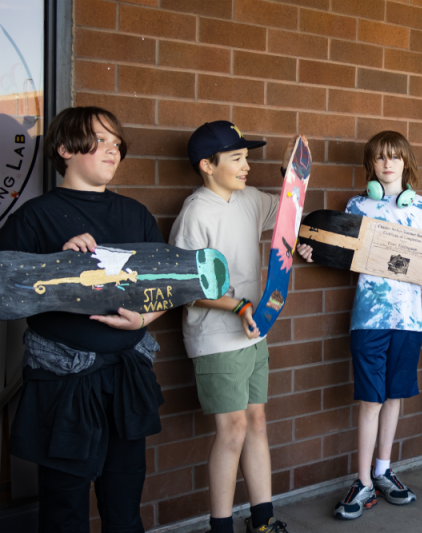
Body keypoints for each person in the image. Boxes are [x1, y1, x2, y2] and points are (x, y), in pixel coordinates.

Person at [0, 106, 166, 532]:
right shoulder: (34, 217)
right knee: (64, 507)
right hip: (63, 382)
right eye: (101, 139)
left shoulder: (136, 214)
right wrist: (58, 265)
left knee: (125, 503)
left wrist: (144, 319)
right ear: (65, 148)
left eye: (117, 142)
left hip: (126, 376)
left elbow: (170, 283)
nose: (113, 150)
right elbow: (6, 292)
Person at [169, 121, 301, 533]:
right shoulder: (196, 212)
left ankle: (263, 519)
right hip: (216, 337)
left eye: (247, 157)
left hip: (253, 332)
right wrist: (238, 304)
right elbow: (184, 286)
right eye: (237, 158)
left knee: (257, 422)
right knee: (232, 431)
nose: (247, 166)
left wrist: (290, 175)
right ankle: (220, 526)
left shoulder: (248, 199)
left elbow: (286, 216)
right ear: (207, 165)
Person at [298, 131, 422, 519]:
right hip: (369, 318)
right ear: (371, 166)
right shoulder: (358, 206)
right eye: (380, 158)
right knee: (371, 399)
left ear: (406, 163)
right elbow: (337, 249)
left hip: (409, 321)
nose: (388, 164)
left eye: (394, 157)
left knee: (394, 396)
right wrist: (311, 249)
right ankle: (363, 482)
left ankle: (384, 470)